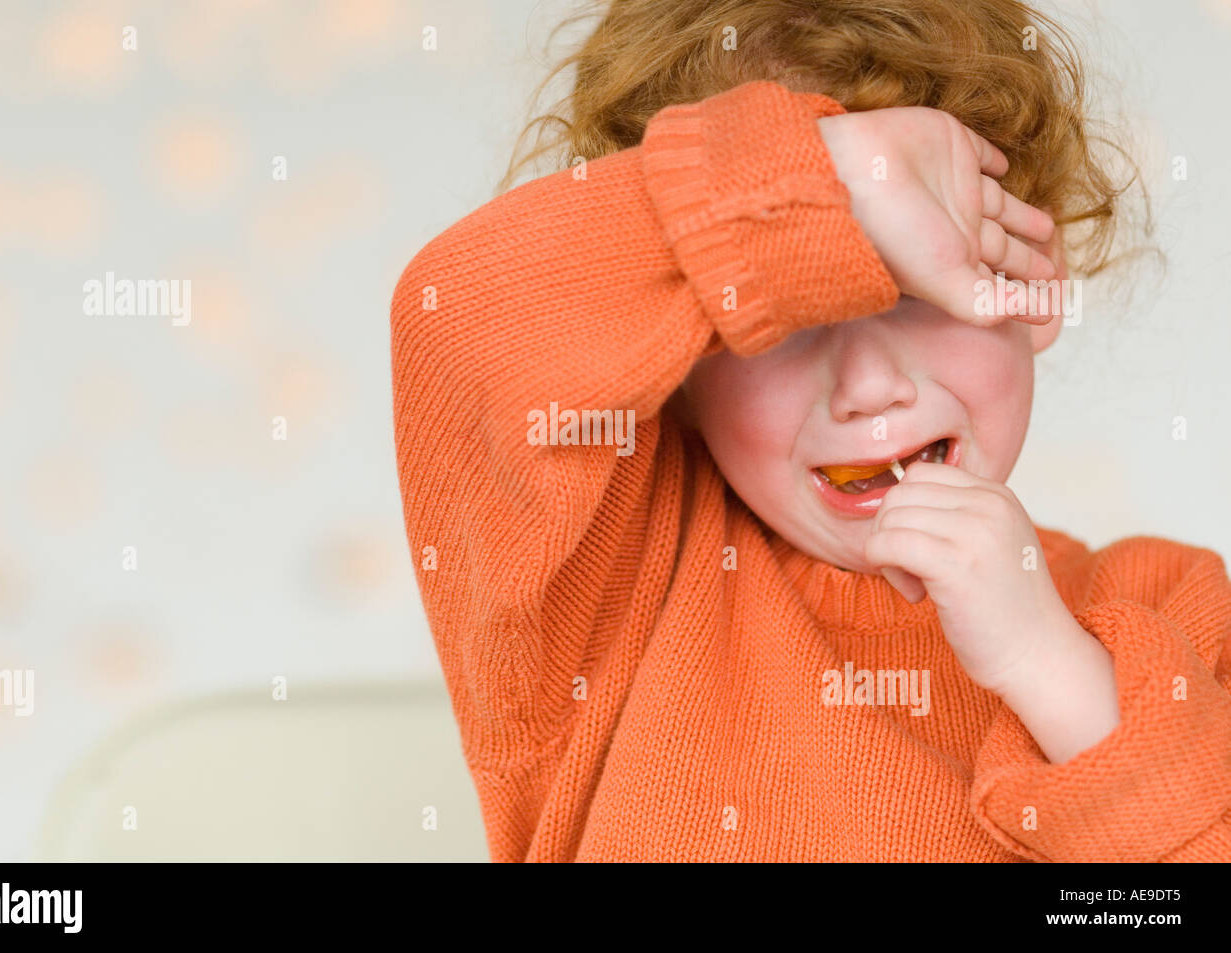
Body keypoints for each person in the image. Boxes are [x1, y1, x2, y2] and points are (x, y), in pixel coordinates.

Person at [390, 0, 1231, 861]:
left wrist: (1050, 668)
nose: (867, 387)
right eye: (783, 318)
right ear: (681, 351)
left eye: (910, 293)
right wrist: (844, 175)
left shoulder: (1172, 610)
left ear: (1033, 278)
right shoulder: (614, 579)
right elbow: (452, 321)